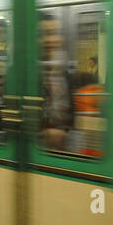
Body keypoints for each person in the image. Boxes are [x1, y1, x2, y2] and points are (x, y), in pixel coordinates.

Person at [39, 16, 74, 150]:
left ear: (61, 38)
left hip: (63, 145)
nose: (49, 40)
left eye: (53, 34)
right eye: (44, 34)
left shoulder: (67, 71)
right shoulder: (26, 70)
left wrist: (65, 130)